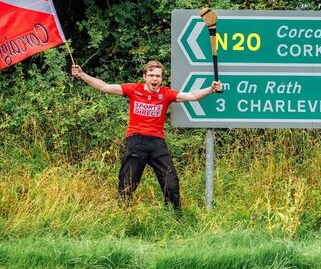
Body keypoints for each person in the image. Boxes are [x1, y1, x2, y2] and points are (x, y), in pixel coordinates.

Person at [71, 60, 222, 210]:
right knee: (127, 182)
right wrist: (83, 75)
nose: (154, 79)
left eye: (158, 76)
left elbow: (192, 96)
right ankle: (124, 213)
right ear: (144, 76)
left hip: (157, 142)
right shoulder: (133, 89)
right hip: (136, 141)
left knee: (171, 181)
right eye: (151, 75)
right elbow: (104, 87)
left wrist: (210, 89)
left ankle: (173, 214)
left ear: (162, 78)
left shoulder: (166, 94)